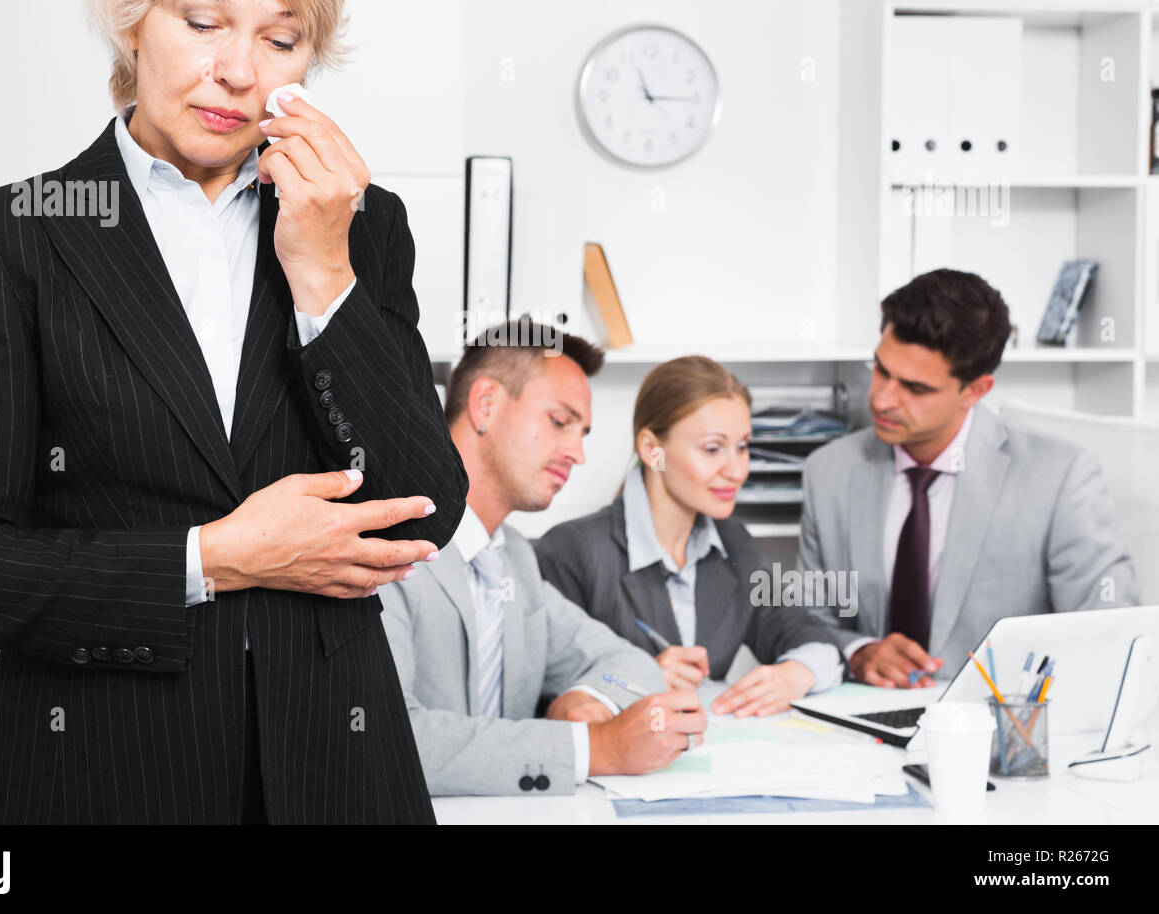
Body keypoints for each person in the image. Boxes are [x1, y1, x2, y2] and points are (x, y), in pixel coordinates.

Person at [0, 0, 467, 824]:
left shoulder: (361, 225)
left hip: (334, 771)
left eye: (281, 40)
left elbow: (419, 514)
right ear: (131, 15)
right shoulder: (16, 236)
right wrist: (216, 557)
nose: (238, 71)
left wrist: (324, 270)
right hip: (102, 778)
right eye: (203, 23)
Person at [378, 320, 707, 796]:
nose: (578, 453)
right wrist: (597, 746)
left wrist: (586, 696)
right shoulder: (383, 548)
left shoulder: (512, 560)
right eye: (559, 421)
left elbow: (627, 662)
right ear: (485, 404)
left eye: (583, 432)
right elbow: (392, 740)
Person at [796, 268, 1140, 686]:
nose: (883, 398)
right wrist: (859, 652)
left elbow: (1106, 631)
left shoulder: (1060, 477)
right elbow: (807, 616)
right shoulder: (829, 470)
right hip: (867, 720)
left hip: (1001, 728)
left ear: (975, 391)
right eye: (881, 370)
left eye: (916, 388)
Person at [535, 356, 843, 718]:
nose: (737, 470)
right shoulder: (574, 549)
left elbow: (809, 634)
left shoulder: (734, 544)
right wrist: (635, 679)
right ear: (653, 450)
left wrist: (795, 674)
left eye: (743, 446)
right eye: (713, 449)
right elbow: (540, 697)